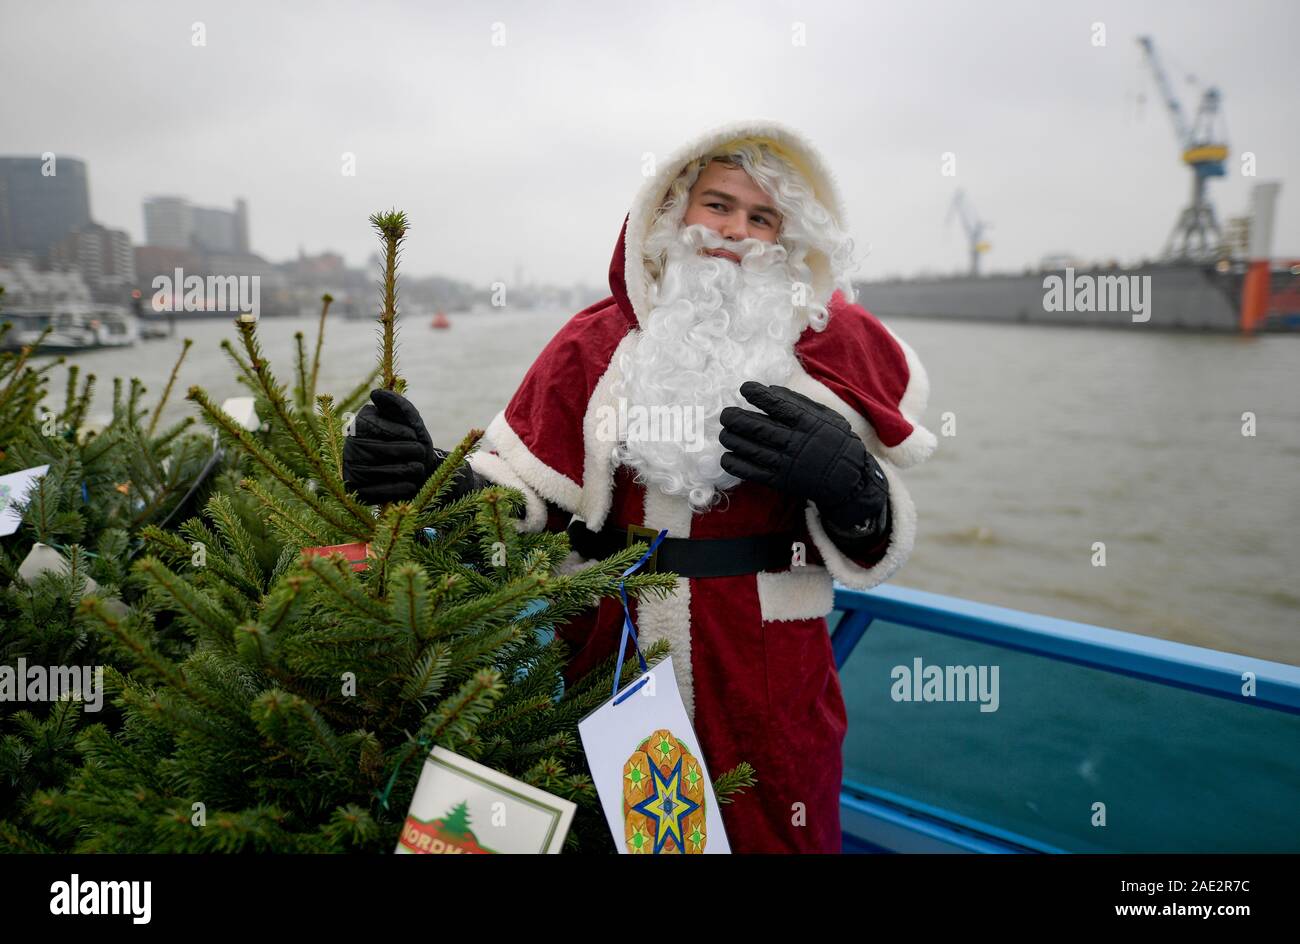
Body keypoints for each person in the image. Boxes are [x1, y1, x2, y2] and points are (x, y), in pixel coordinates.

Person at [343, 119, 937, 853]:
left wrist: (854, 488)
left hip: (768, 672)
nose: (733, 232)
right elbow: (526, 499)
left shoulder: (831, 350)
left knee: (772, 827)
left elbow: (878, 544)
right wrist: (439, 480)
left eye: (761, 217)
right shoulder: (593, 343)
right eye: (717, 205)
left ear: (787, 238)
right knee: (605, 834)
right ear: (674, 210)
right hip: (607, 653)